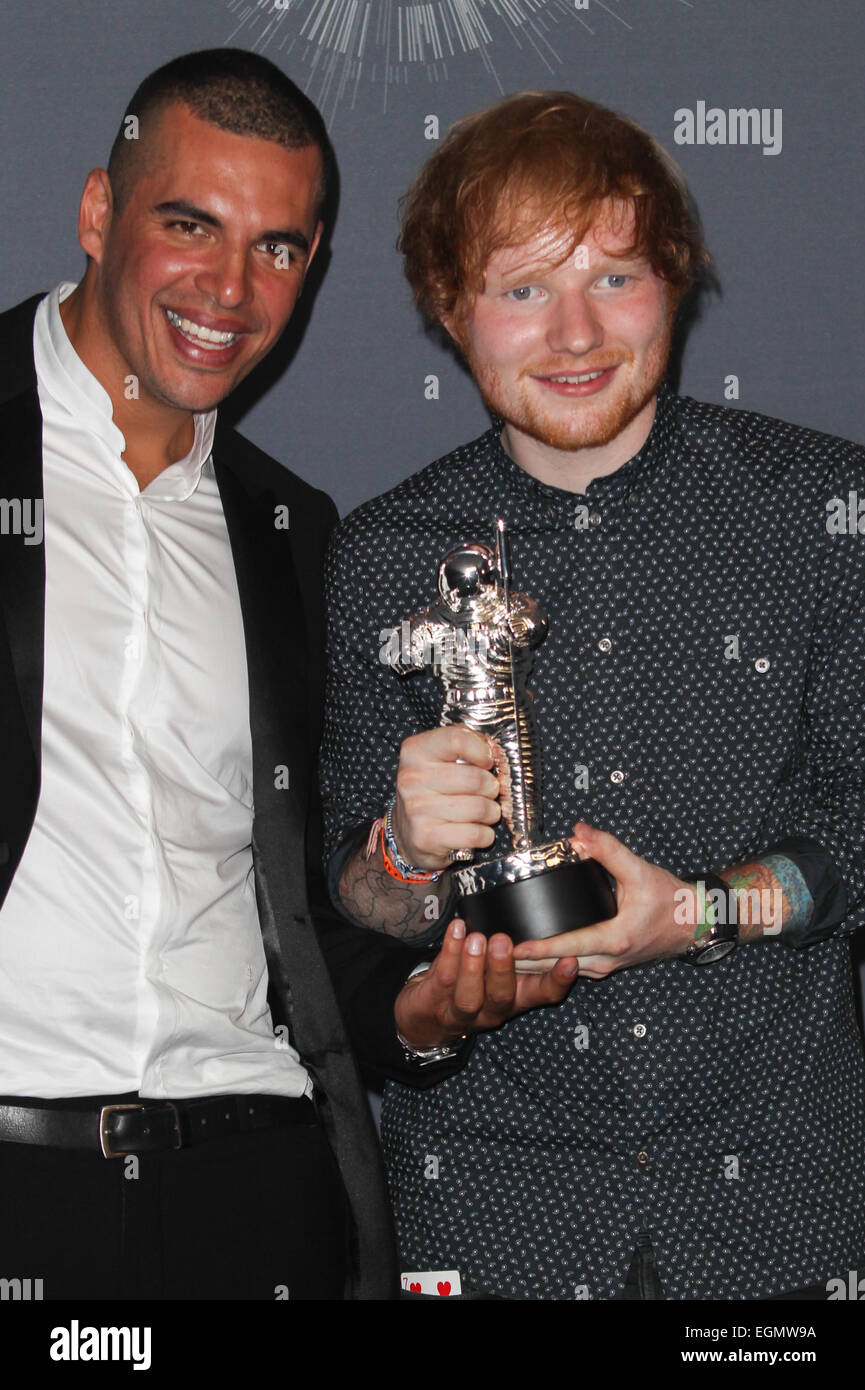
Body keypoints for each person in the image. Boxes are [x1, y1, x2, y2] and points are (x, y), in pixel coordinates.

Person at [320, 91, 865, 1300]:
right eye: (520, 289)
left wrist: (699, 913)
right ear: (449, 309)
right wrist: (404, 857)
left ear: (672, 283)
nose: (573, 333)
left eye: (613, 277)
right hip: (491, 1207)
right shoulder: (377, 555)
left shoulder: (825, 512)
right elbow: (352, 911)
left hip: (779, 1214)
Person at [0, 45, 440, 1302]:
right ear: (98, 212)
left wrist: (419, 999)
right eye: (189, 224)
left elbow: (300, 899)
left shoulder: (292, 529)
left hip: (250, 1187)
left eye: (279, 248)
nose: (229, 289)